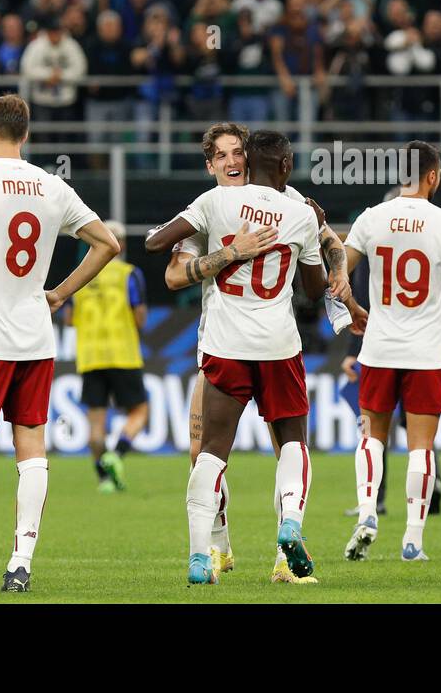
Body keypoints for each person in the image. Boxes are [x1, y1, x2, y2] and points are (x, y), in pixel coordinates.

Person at [0, 94, 120, 593]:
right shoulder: (53, 187)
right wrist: (58, 292)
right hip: (36, 337)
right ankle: (20, 565)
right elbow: (108, 244)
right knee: (31, 447)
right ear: (25, 135)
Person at [157, 122, 362, 581]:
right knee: (212, 450)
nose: (231, 162)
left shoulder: (285, 202)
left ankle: (280, 557)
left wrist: (342, 278)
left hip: (229, 346)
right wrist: (230, 253)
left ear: (250, 159)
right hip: (246, 342)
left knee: (236, 449)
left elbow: (331, 243)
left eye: (238, 153)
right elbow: (173, 275)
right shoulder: (211, 208)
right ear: (210, 165)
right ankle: (219, 546)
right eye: (222, 155)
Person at [343, 141, 441, 563]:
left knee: (371, 437)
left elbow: (338, 271)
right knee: (421, 447)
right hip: (427, 352)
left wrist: (351, 311)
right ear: (433, 176)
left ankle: (366, 514)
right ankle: (413, 538)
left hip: (378, 347)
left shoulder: (371, 218)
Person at [70, 219, 149, 493]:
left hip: (90, 356)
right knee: (139, 411)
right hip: (123, 353)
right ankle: (116, 454)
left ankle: (104, 480)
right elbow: (139, 317)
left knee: (95, 425)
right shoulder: (129, 274)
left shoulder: (81, 277)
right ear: (122, 244)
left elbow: (69, 319)